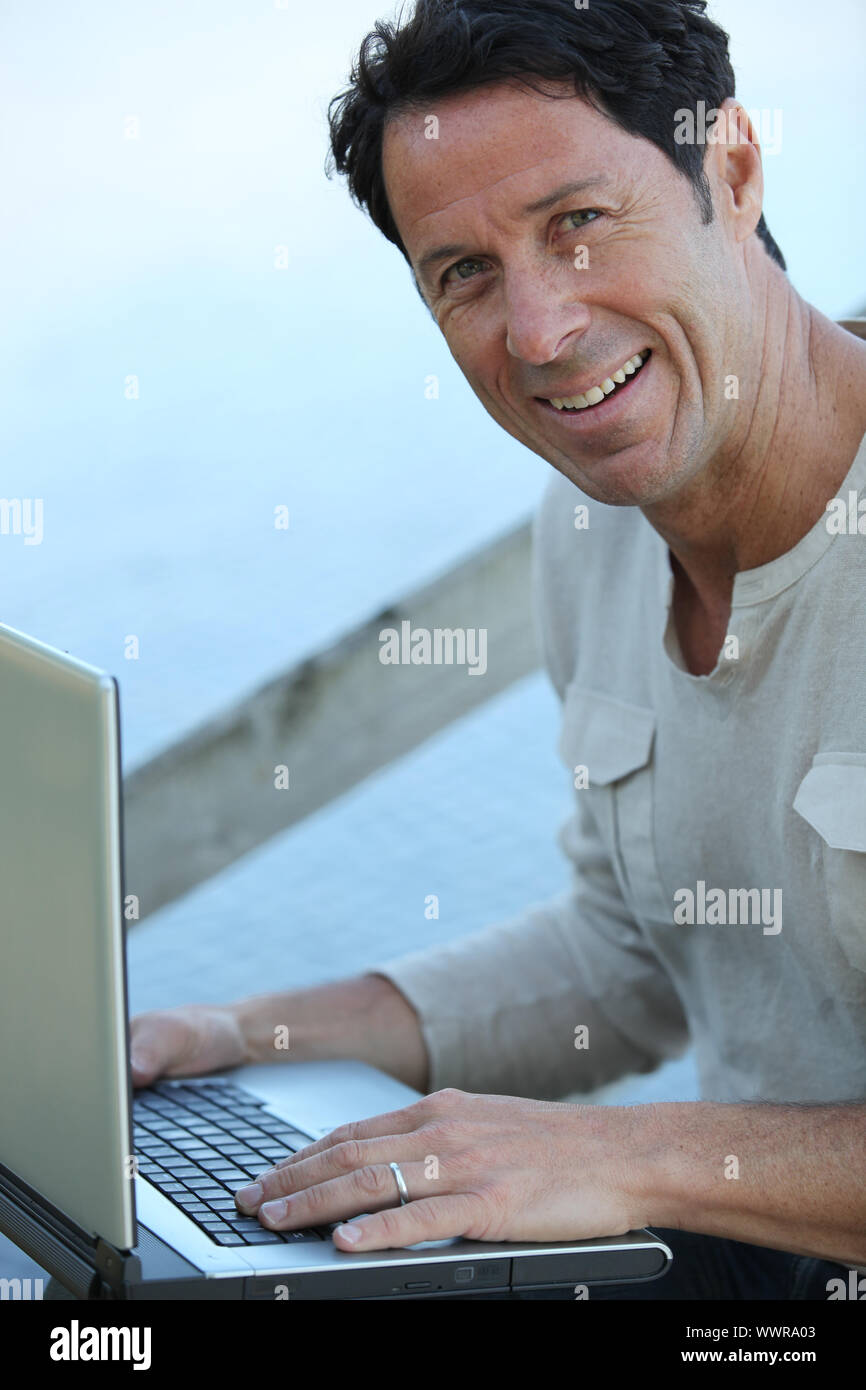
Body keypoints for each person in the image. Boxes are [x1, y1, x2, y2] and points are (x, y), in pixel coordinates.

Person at [130, 0, 866, 1298]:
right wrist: (245, 1033)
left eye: (578, 222)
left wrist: (631, 1160)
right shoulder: (589, 531)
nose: (536, 330)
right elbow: (626, 955)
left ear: (731, 173)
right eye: (462, 271)